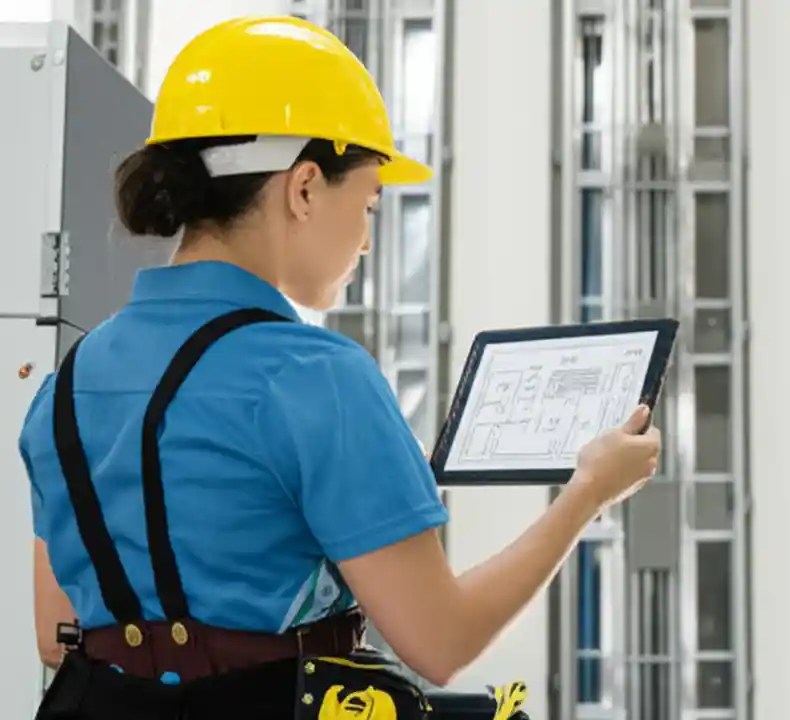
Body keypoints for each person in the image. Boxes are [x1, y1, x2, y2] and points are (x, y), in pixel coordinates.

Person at [19, 15, 661, 719]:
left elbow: (59, 632)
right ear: (302, 188)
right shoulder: (314, 375)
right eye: (369, 203)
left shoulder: (68, 383)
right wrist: (587, 494)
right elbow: (441, 642)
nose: (365, 239)